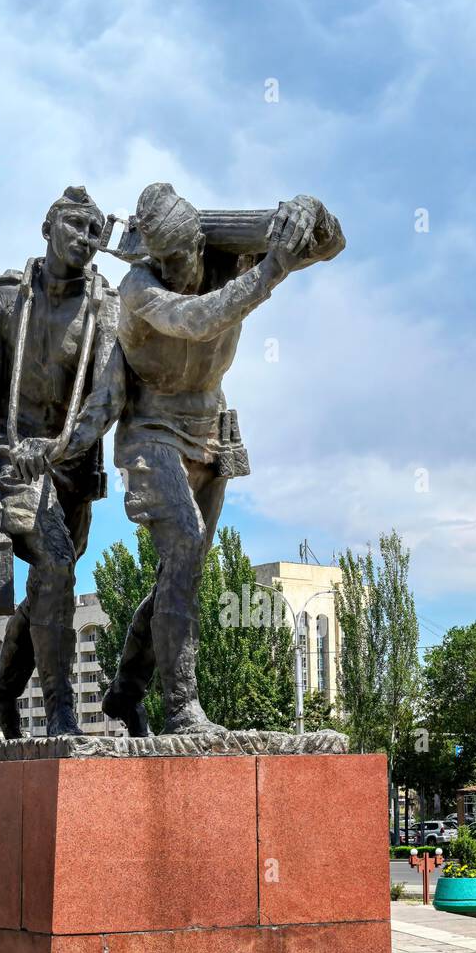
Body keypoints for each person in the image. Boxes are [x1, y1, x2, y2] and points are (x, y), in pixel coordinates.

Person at [61, 182, 344, 735]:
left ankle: (125, 691)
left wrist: (307, 210)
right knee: (186, 545)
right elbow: (194, 320)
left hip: (212, 430)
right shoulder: (138, 289)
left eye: (180, 255)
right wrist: (269, 273)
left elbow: (331, 243)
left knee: (182, 573)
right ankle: (182, 708)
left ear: (198, 241)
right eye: (160, 258)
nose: (172, 268)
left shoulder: (228, 254)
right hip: (149, 432)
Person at [0, 186, 124, 737]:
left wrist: (61, 449)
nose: (85, 239)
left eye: (94, 231)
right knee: (55, 565)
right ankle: (59, 712)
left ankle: (0, 692)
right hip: (16, 460)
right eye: (75, 225)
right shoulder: (4, 299)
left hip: (73, 463)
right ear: (47, 226)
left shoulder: (106, 305)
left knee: (50, 583)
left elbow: (106, 396)